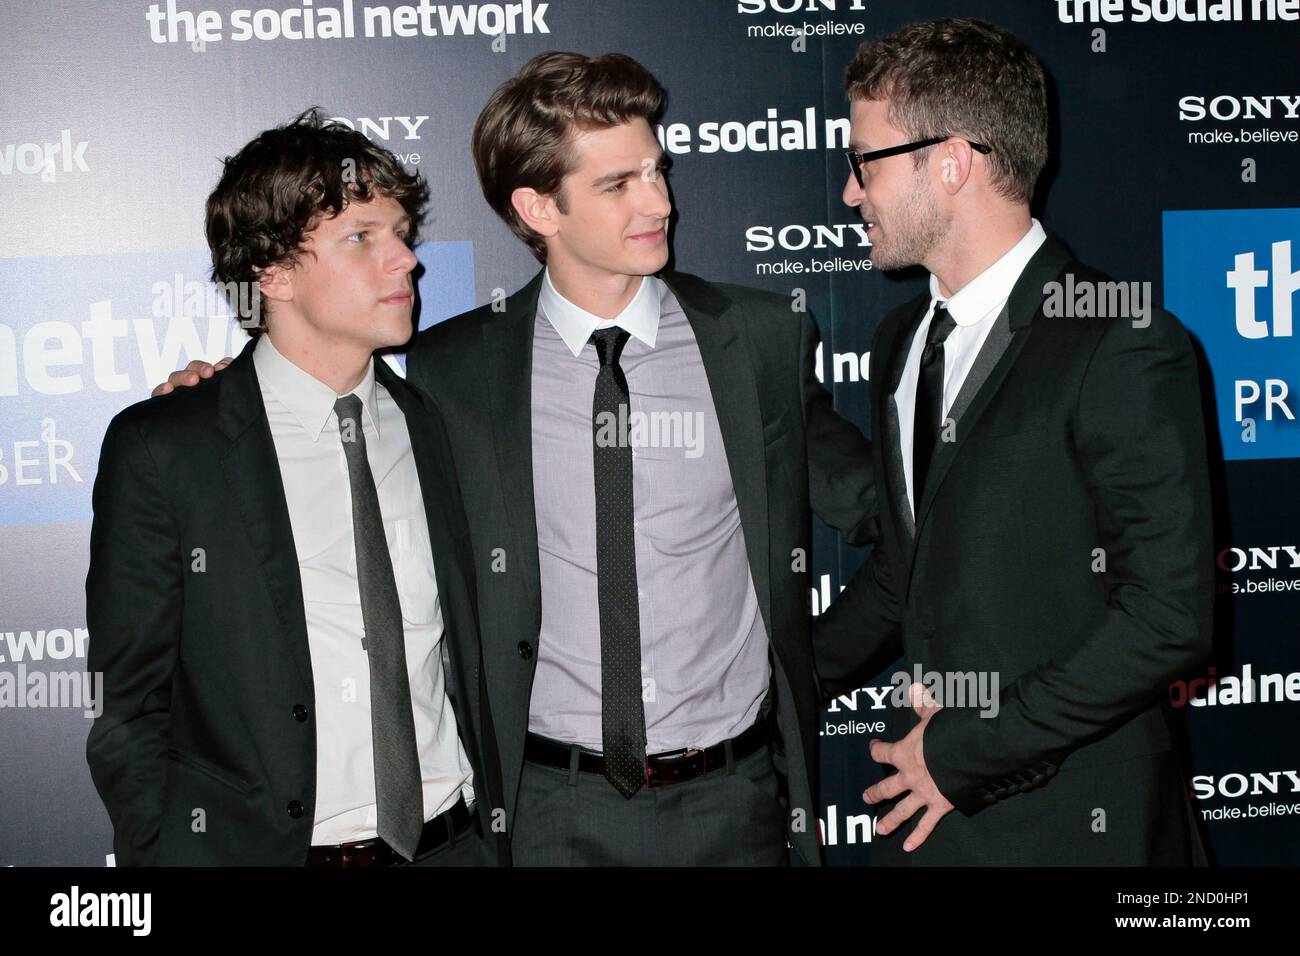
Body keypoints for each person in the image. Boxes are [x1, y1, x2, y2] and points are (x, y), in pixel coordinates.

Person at [160, 53, 877, 866]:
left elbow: (898, 519)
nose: (660, 201)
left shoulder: (756, 343)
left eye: (656, 170)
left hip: (735, 802)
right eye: (618, 184)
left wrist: (803, 671)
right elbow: (303, 405)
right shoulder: (451, 372)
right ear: (539, 207)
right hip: (538, 813)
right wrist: (213, 391)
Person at [813, 18, 1212, 865]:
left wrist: (964, 754)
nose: (851, 193)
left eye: (864, 162)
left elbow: (1168, 618)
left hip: (1078, 824)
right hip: (932, 824)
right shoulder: (901, 344)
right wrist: (770, 683)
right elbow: (906, 572)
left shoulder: (1117, 337)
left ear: (951, 163)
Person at [88, 109, 504, 866]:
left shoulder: (440, 427)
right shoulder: (168, 448)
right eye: (363, 237)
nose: (406, 259)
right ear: (272, 272)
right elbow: (130, 703)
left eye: (402, 233)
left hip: (456, 844)